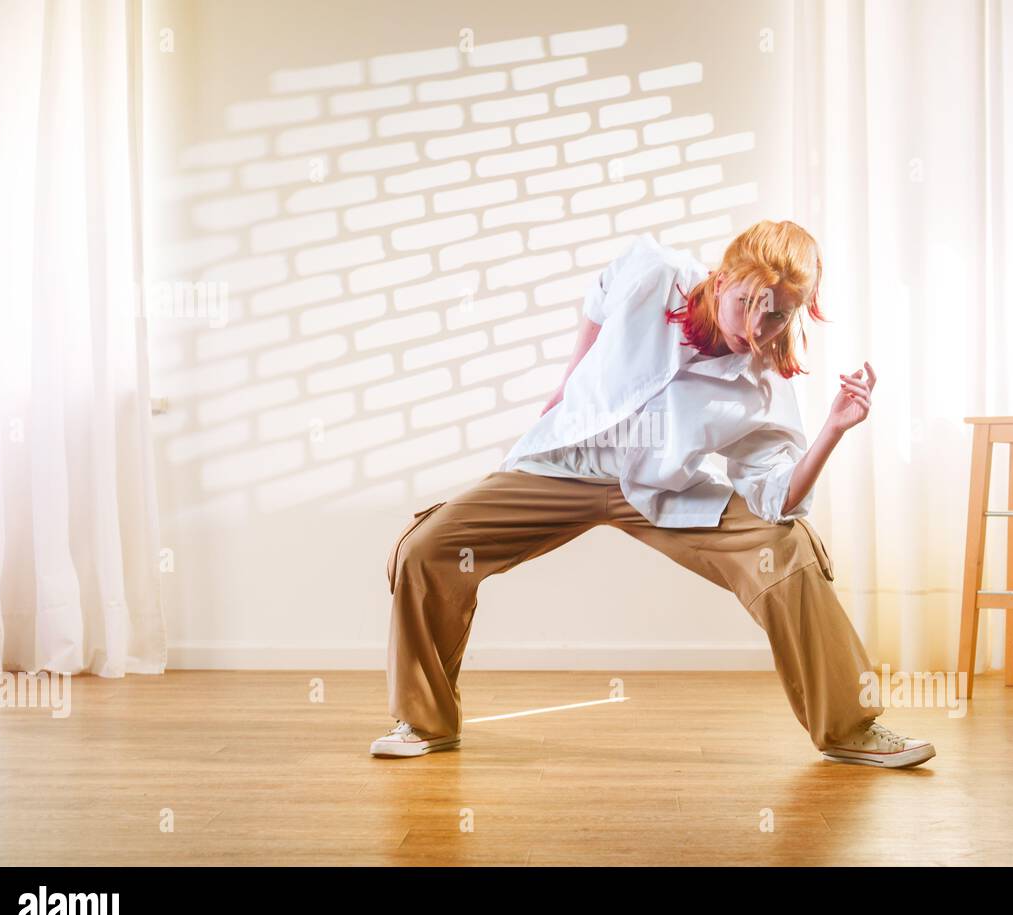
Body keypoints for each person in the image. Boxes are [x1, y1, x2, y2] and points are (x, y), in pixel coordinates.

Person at [372, 221, 935, 769]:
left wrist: (832, 430)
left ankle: (850, 726)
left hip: (662, 494)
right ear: (722, 279)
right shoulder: (654, 272)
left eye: (778, 315)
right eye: (749, 304)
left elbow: (775, 497)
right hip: (567, 466)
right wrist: (568, 382)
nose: (759, 329)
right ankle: (426, 723)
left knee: (786, 549)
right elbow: (599, 297)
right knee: (427, 549)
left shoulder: (764, 379)